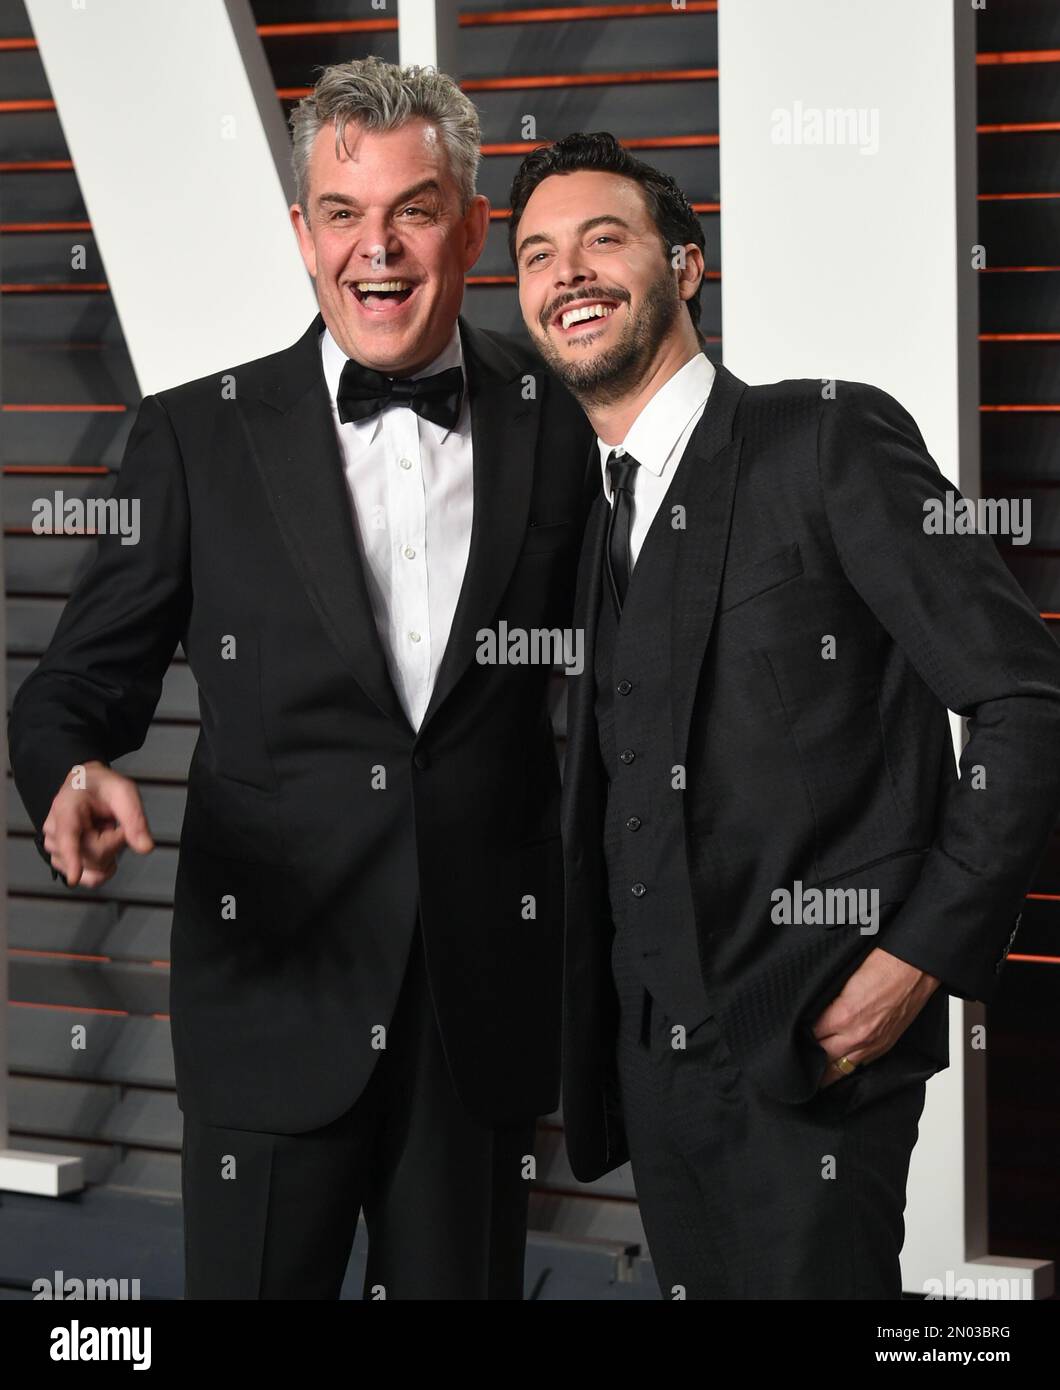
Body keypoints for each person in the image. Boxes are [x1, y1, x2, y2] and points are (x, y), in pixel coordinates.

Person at [8, 59, 595, 1300]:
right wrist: (69, 770)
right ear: (300, 231)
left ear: (472, 228)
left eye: (413, 210)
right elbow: (73, 685)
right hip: (271, 993)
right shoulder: (193, 435)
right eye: (341, 213)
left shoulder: (562, 422)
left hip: (477, 1012)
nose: (374, 249)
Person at [509, 131, 1060, 1299]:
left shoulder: (825, 438)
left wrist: (915, 955)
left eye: (603, 239)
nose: (569, 274)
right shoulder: (594, 513)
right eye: (537, 256)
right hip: (654, 1071)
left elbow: (1022, 699)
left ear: (688, 267)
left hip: (816, 1055)